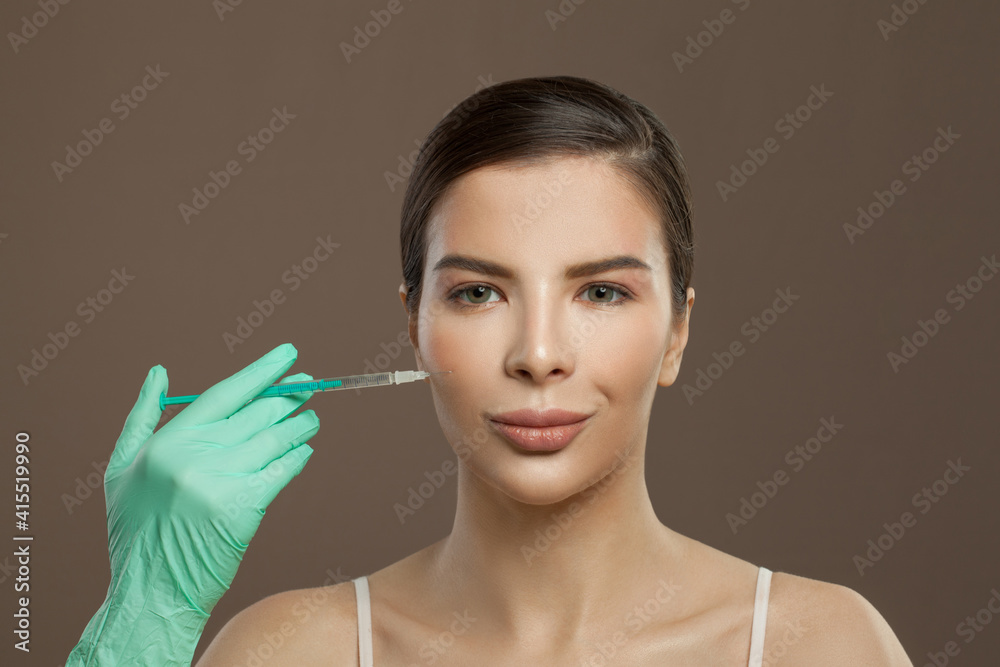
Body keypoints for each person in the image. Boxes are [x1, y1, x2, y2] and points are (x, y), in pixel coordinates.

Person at [71, 76, 913, 666]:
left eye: (602, 291)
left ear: (679, 330)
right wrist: (139, 619)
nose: (538, 353)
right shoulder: (293, 652)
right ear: (414, 325)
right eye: (478, 291)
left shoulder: (821, 646)